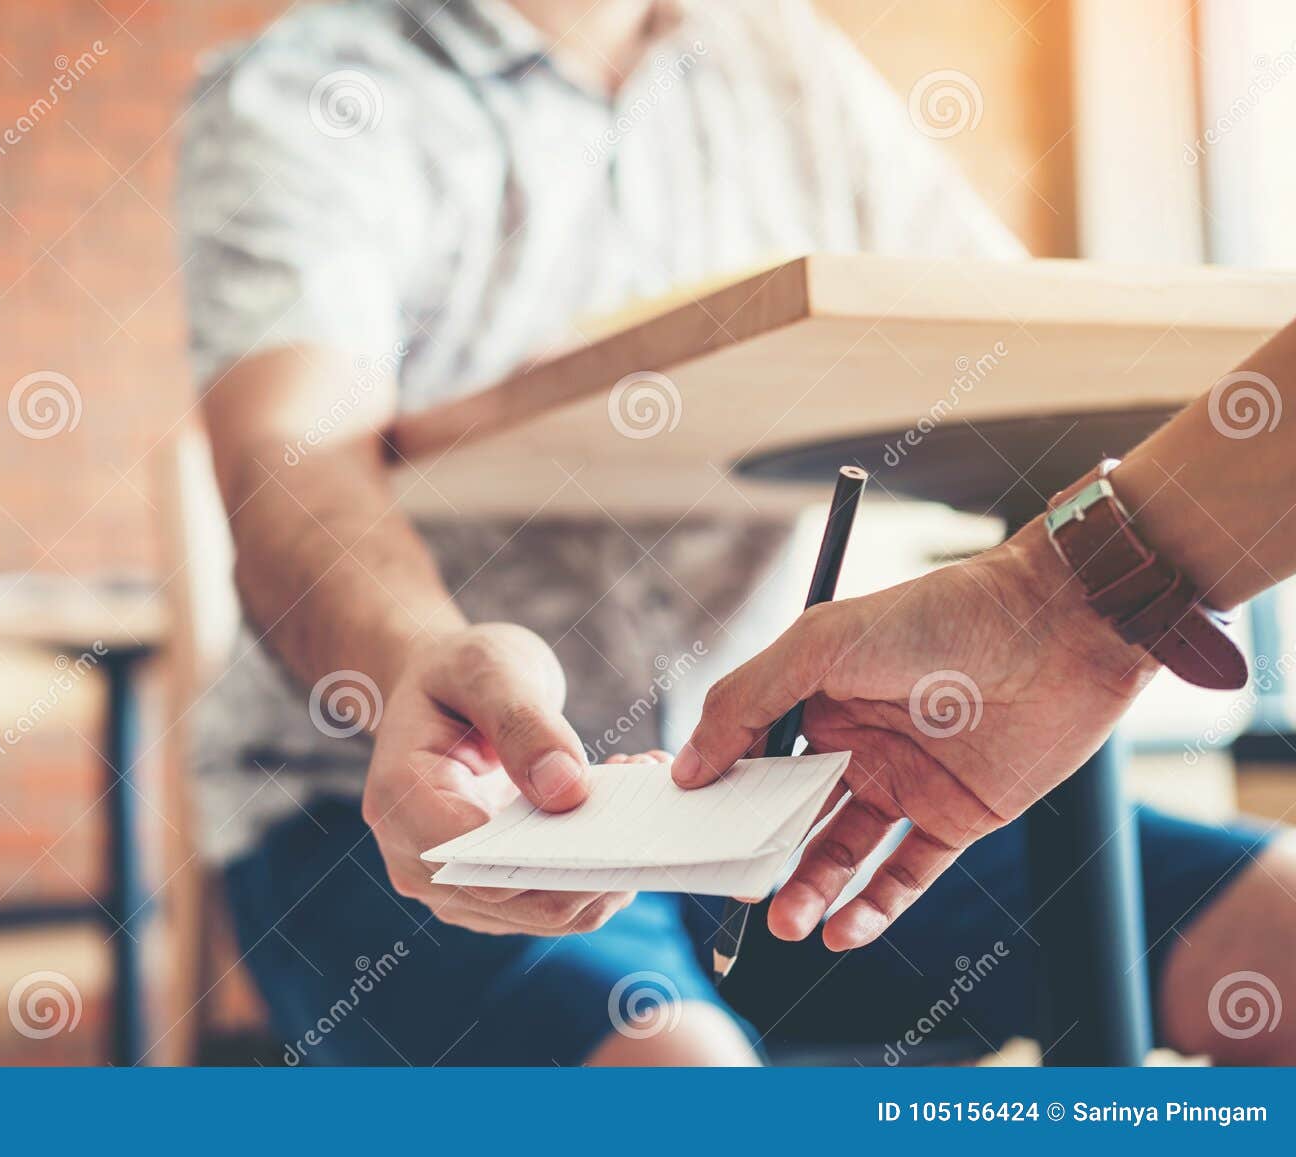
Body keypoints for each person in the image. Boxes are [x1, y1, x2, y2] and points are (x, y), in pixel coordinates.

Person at [178, 0, 1292, 1065]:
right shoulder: (308, 90)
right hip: (439, 799)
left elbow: (1003, 333)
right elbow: (292, 456)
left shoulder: (779, 54)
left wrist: (1068, 594)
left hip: (803, 787)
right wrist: (413, 654)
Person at [676, 316, 1296, 1061]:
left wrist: (1058, 600)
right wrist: (1056, 595)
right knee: (680, 1072)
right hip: (578, 839)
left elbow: (1024, 325)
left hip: (834, 782)